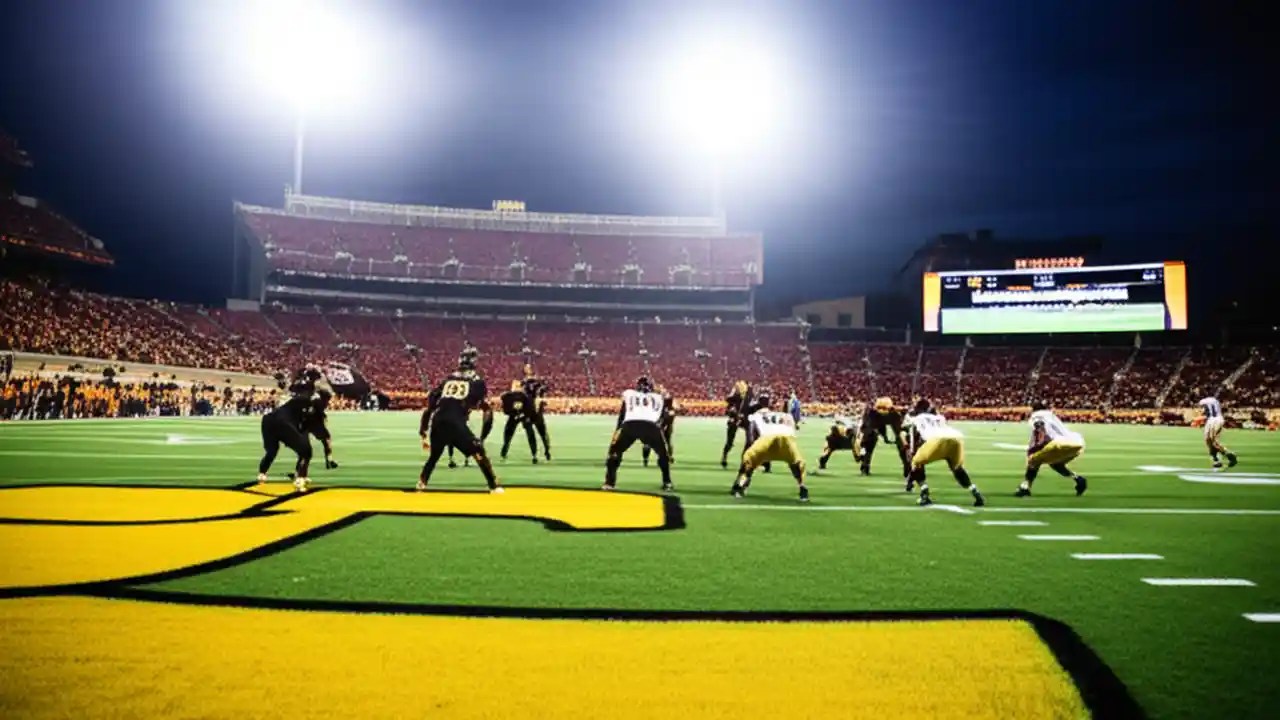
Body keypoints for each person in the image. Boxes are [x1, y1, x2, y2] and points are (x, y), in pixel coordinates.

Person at [416, 353, 501, 493]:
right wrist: (482, 437)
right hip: (455, 422)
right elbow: (487, 410)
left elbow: (429, 408)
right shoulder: (477, 381)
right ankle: (494, 486)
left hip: (437, 420)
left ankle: (421, 483)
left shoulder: (447, 379)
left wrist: (423, 432)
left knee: (434, 456)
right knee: (478, 452)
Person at [904, 398, 984, 507]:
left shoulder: (916, 418)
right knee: (957, 468)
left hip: (936, 440)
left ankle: (924, 494)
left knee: (916, 462)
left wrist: (913, 454)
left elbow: (914, 438)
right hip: (956, 438)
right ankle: (975, 493)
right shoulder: (939, 417)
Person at [731, 390, 809, 502]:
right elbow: (793, 428)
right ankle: (802, 488)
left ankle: (740, 486)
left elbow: (751, 437)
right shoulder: (784, 415)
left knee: (749, 460)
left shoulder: (755, 416)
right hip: (787, 439)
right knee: (796, 463)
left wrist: (755, 452)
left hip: (767, 439)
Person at [603, 376, 672, 492]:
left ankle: (609, 482)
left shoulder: (629, 394)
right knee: (663, 455)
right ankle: (667, 482)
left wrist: (617, 432)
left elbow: (622, 415)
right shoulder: (658, 397)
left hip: (630, 424)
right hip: (651, 426)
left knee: (614, 453)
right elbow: (664, 414)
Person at [1016, 400, 1087, 497]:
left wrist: (1038, 444)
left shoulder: (1036, 415)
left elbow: (1040, 427)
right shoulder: (1050, 415)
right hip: (1076, 443)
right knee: (1055, 463)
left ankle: (1025, 487)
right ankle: (1078, 479)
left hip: (1057, 443)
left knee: (1033, 459)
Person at [257, 384, 315, 493]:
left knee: (271, 451)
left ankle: (262, 474)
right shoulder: (306, 401)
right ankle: (300, 478)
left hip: (268, 421)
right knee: (305, 452)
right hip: (283, 422)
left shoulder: (293, 399)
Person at [857, 396, 909, 477]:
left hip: (882, 422)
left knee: (901, 440)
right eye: (881, 408)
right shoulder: (871, 413)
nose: (883, 411)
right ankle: (864, 464)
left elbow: (900, 426)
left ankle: (907, 465)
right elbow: (866, 428)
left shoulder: (893, 413)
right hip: (873, 425)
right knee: (870, 440)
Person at [499, 379, 540, 463]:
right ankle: (504, 451)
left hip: (522, 415)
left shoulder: (525, 397)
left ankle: (534, 454)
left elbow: (529, 409)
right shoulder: (508, 396)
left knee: (530, 433)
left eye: (518, 386)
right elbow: (505, 409)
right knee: (508, 433)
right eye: (515, 386)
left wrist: (523, 415)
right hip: (514, 416)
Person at [1198, 394, 1239, 471]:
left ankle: (1230, 455)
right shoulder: (1215, 400)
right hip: (1215, 420)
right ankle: (1216, 460)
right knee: (1208, 440)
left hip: (1214, 420)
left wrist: (1199, 418)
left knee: (1212, 442)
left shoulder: (1202, 401)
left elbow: (1204, 411)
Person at [521, 364, 553, 462]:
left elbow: (544, 390)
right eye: (527, 368)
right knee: (532, 434)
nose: (528, 370)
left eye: (529, 368)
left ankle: (546, 450)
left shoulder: (535, 382)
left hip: (534, 410)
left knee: (542, 433)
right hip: (528, 410)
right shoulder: (523, 383)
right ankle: (534, 454)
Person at [642, 383, 675, 467]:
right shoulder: (660, 399)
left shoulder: (660, 399)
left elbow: (671, 411)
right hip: (657, 422)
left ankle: (665, 458)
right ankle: (664, 458)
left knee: (663, 441)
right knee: (661, 441)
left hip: (661, 422)